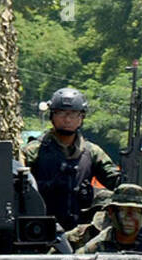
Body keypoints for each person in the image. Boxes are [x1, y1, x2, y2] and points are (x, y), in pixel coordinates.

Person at [23, 87, 122, 231]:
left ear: (81, 118)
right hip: (41, 229)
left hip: (80, 231)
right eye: (61, 113)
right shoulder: (33, 151)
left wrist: (141, 171)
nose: (67, 119)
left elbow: (116, 182)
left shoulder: (92, 152)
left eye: (73, 114)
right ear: (52, 116)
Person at [76, 183, 142, 253]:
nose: (129, 218)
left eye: (135, 212)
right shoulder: (97, 246)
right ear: (110, 213)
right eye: (122, 210)